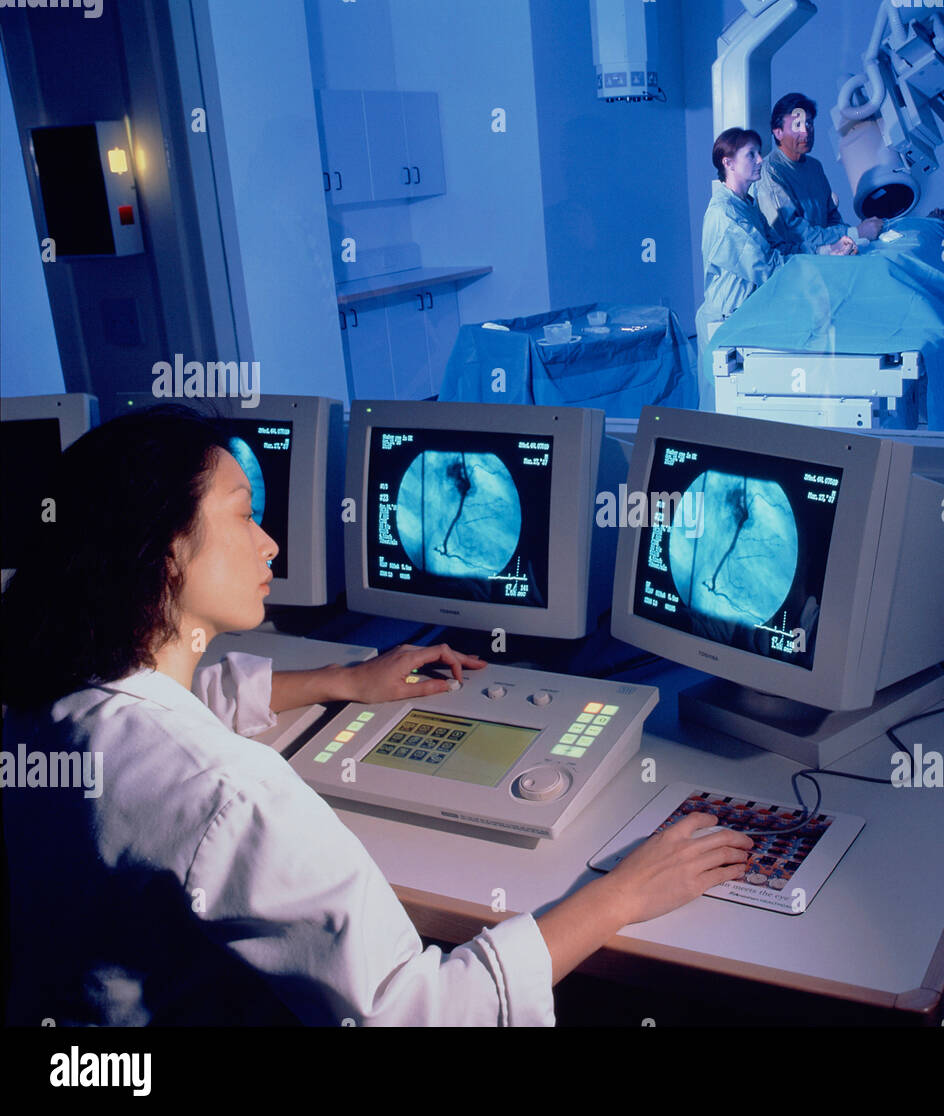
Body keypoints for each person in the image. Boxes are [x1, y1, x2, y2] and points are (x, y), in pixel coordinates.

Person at [0, 404, 753, 1026]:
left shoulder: (51, 700)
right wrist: (623, 893)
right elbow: (415, 1013)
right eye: (242, 517)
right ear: (168, 556)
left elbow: (179, 721)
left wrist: (344, 679)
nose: (269, 542)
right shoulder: (231, 793)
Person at [696, 128, 853, 410]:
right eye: (751, 155)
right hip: (725, 322)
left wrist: (827, 251)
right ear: (727, 163)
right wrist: (821, 261)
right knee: (720, 417)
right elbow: (768, 268)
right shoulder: (724, 215)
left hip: (746, 316)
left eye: (759, 153)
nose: (760, 160)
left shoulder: (747, 205)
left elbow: (778, 249)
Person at [756, 92, 883, 256]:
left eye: (809, 123)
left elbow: (832, 218)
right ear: (778, 132)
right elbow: (794, 233)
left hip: (825, 257)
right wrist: (855, 233)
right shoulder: (771, 171)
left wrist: (846, 242)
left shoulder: (814, 167)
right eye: (797, 126)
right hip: (796, 263)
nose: (806, 132)